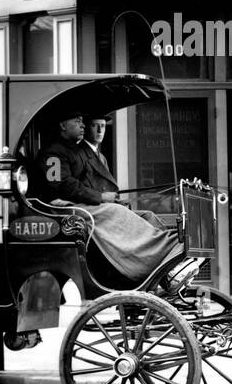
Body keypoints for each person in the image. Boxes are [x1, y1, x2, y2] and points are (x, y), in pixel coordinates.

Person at [32, 111, 183, 283]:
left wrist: (105, 197)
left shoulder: (75, 151)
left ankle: (165, 262)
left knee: (147, 216)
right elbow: (63, 186)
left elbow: (82, 184)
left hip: (79, 204)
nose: (82, 125)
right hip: (60, 208)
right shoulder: (54, 152)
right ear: (62, 125)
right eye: (77, 121)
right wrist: (102, 197)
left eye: (83, 121)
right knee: (115, 212)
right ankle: (145, 264)